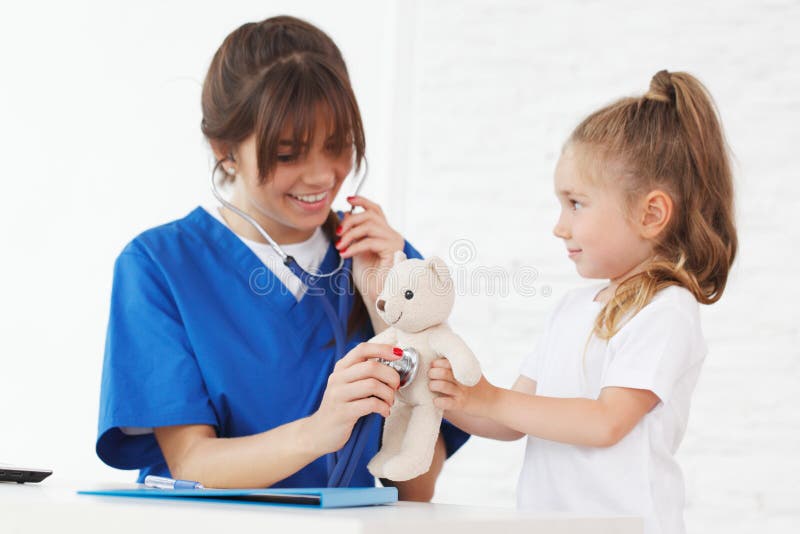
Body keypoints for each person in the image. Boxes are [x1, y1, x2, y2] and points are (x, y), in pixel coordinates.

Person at [95, 15, 468, 500]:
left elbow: (415, 486)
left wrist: (385, 319)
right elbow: (192, 460)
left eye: (337, 146)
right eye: (289, 154)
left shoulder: (389, 263)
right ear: (225, 150)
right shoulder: (159, 266)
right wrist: (321, 429)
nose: (321, 176)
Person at [428, 70, 737, 532]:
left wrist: (489, 399)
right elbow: (513, 419)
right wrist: (449, 397)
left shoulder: (666, 310)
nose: (559, 225)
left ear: (650, 214)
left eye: (575, 203)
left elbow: (606, 422)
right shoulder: (573, 309)